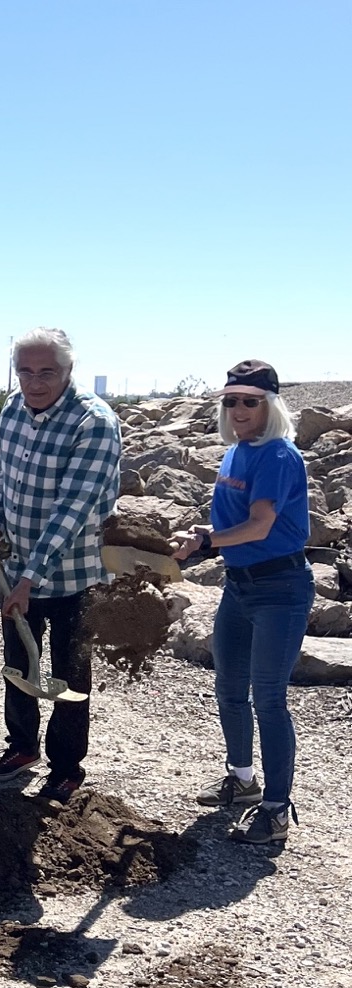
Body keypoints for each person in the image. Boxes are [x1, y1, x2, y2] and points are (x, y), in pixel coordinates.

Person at [170, 360, 313, 845]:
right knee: (229, 688)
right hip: (239, 584)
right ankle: (243, 781)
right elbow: (233, 526)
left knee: (269, 700)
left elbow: (260, 526)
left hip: (280, 588)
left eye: (249, 400)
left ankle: (275, 809)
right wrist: (204, 535)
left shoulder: (277, 455)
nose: (238, 409)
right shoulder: (236, 453)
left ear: (270, 405)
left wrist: (209, 543)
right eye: (230, 400)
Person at [0, 327, 122, 802]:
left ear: (68, 370)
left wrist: (30, 577)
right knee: (18, 664)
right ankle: (21, 747)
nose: (35, 383)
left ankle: (66, 767)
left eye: (47, 372)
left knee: (68, 675)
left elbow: (73, 510)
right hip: (18, 570)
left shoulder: (93, 423)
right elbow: (0, 474)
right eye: (25, 371)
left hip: (74, 577)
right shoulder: (14, 409)